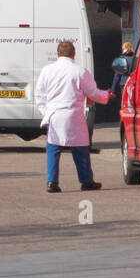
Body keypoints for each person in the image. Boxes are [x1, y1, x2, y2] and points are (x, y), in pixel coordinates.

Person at [35, 40, 113, 193]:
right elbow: (93, 93)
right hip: (73, 115)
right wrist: (107, 95)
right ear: (73, 54)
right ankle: (86, 181)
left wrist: (45, 111)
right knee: (81, 148)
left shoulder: (47, 70)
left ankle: (52, 182)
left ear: (58, 54)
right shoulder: (80, 71)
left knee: (53, 147)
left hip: (55, 114)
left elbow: (39, 94)